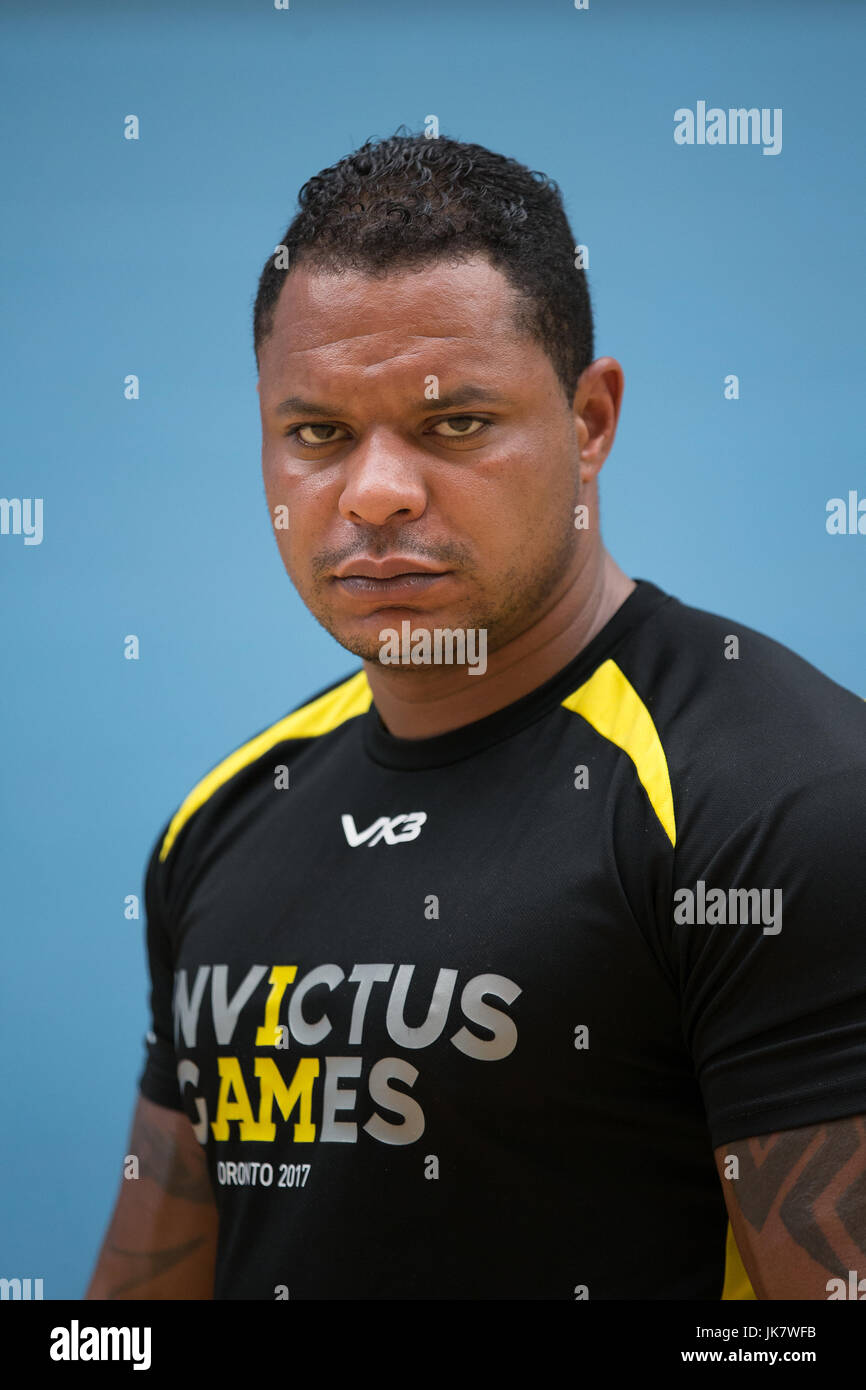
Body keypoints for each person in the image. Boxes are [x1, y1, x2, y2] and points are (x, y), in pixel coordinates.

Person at [86, 131, 866, 1301]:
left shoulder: (782, 808)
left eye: (452, 424)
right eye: (318, 434)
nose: (374, 491)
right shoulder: (224, 818)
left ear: (589, 419)